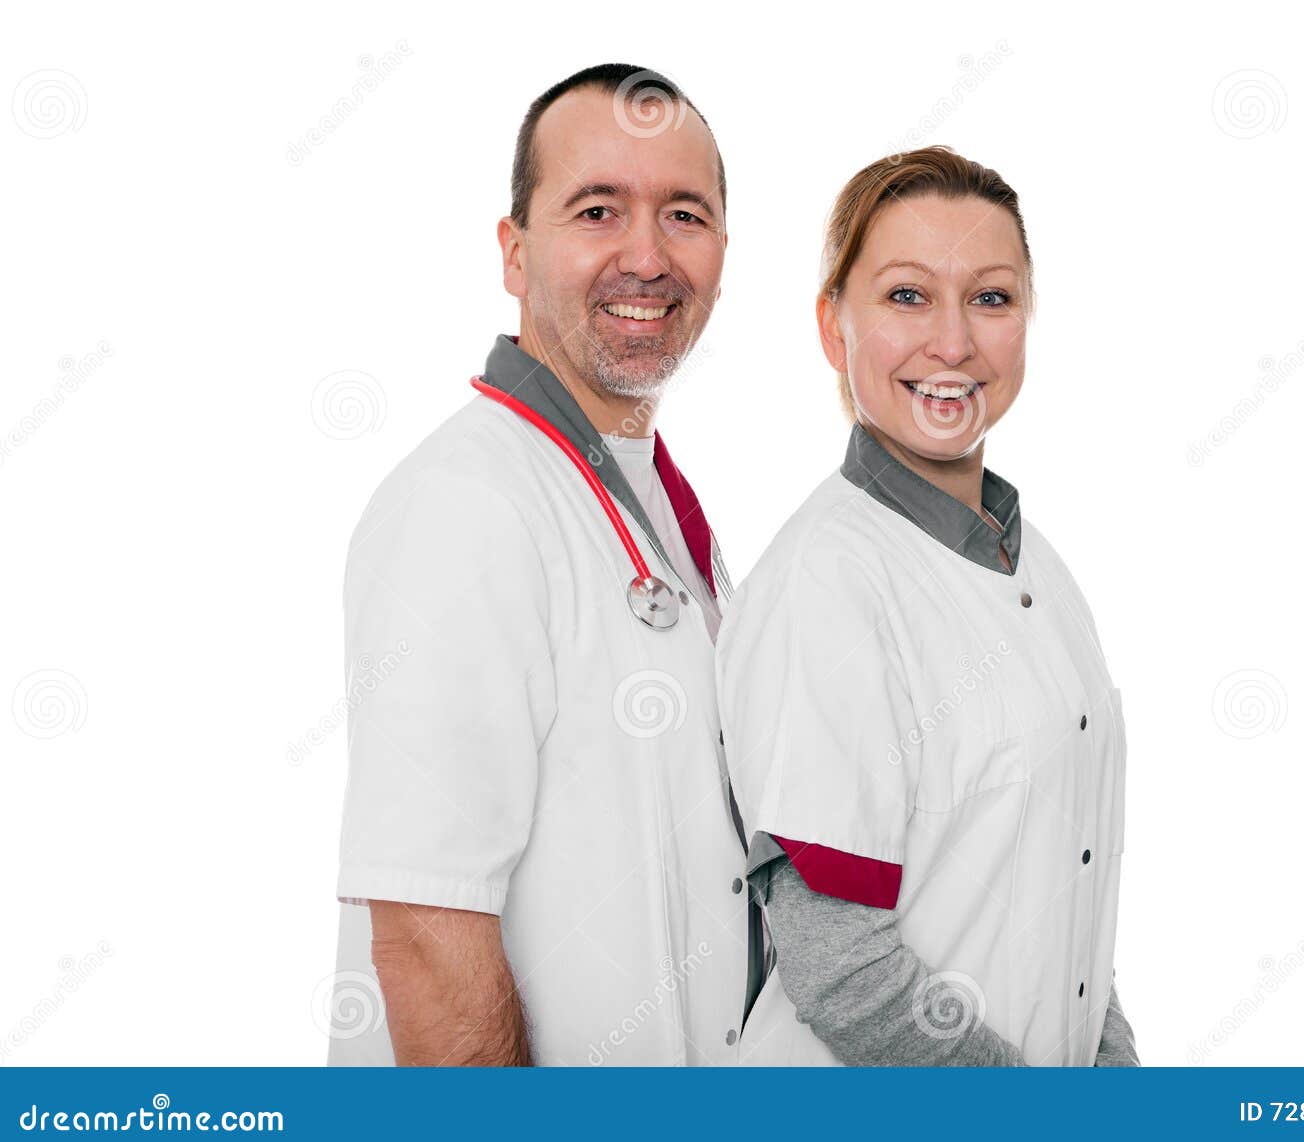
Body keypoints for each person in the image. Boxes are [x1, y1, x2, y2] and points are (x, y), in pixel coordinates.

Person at [327, 63, 761, 1066]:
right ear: (515, 253)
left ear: (722, 253)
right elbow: (425, 931)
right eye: (598, 210)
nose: (647, 256)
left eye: (685, 214)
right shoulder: (465, 505)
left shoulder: (652, 503)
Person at [717, 146, 1138, 1066]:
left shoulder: (1039, 566)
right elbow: (845, 974)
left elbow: (1064, 896)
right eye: (907, 295)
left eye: (991, 297)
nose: (952, 343)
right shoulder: (824, 585)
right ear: (833, 327)